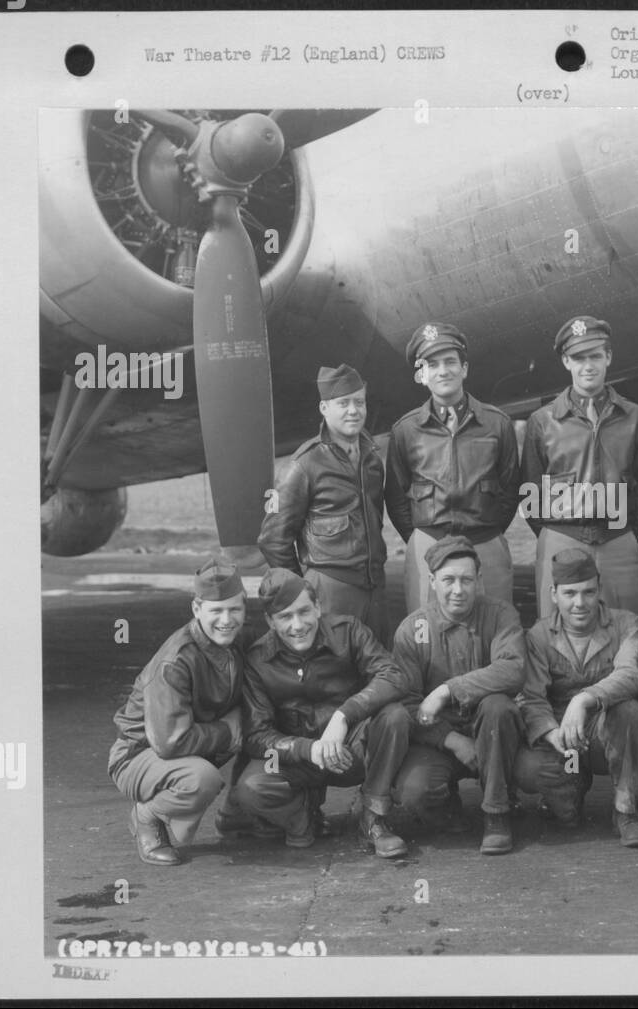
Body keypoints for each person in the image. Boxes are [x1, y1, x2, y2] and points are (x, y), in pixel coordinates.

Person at [221, 568, 411, 857]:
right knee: (252, 786)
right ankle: (303, 817)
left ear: (318, 607)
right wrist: (307, 749)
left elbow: (393, 675)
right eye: (285, 617)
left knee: (394, 717)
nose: (298, 625)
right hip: (298, 759)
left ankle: (374, 818)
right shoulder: (257, 660)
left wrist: (344, 716)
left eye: (304, 612)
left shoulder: (349, 631)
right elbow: (257, 734)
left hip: (351, 749)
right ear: (271, 622)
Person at [389, 536, 527, 854]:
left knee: (499, 707)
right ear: (433, 581)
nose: (458, 590)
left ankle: (497, 813)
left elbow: (513, 669)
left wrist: (447, 689)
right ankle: (448, 806)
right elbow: (408, 704)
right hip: (439, 738)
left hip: (493, 733)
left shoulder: (500, 615)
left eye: (466, 580)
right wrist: (452, 740)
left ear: (479, 581)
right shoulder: (413, 630)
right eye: (448, 580)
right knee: (415, 792)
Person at [107, 558, 247, 866]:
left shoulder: (234, 644)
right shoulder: (176, 661)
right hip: (138, 756)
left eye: (235, 609)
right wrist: (229, 731)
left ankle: (241, 815)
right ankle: (146, 817)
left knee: (255, 729)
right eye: (216, 610)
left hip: (183, 751)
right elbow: (170, 741)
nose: (227, 619)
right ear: (197, 609)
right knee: (201, 780)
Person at [514, 548, 638, 847]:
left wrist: (584, 699)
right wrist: (551, 734)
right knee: (528, 769)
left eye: (588, 592)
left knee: (630, 712)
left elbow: (629, 675)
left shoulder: (626, 624)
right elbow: (533, 697)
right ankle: (569, 791)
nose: (580, 603)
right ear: (554, 594)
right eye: (570, 593)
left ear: (600, 589)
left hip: (605, 733)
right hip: (564, 743)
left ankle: (626, 810)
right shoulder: (538, 636)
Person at [385, 322, 521, 612]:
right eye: (432, 364)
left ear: (465, 369)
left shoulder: (497, 424)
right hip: (429, 545)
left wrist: (488, 531)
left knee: (495, 628)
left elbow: (511, 489)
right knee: (427, 638)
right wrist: (422, 539)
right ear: (422, 374)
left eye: (450, 362)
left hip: (485, 542)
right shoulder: (406, 430)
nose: (443, 371)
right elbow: (396, 497)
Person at [521, 315, 638, 619]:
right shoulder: (543, 420)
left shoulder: (633, 417)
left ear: (608, 357)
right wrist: (556, 531)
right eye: (579, 358)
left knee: (627, 625)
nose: (588, 365)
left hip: (617, 538)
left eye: (595, 356)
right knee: (556, 630)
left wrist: (623, 530)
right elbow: (529, 491)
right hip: (562, 535)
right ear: (566, 361)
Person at [258, 364, 391, 646]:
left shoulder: (372, 459)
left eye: (359, 402)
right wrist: (301, 591)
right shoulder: (302, 465)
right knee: (334, 673)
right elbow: (272, 539)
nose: (353, 411)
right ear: (324, 407)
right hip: (330, 589)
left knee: (379, 669)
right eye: (343, 403)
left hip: (374, 587)